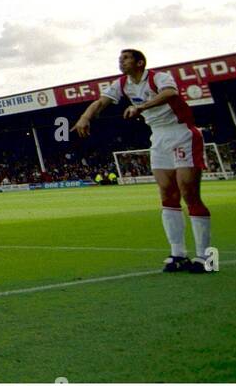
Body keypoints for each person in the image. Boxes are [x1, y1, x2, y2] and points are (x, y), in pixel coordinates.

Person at [73, 48, 213, 273]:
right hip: (158, 136)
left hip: (182, 133)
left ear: (140, 63)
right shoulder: (121, 84)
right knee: (168, 194)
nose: (121, 61)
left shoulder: (159, 77)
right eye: (120, 58)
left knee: (189, 193)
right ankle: (178, 254)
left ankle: (207, 257)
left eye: (126, 58)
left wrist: (141, 106)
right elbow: (100, 102)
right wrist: (84, 117)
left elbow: (170, 94)